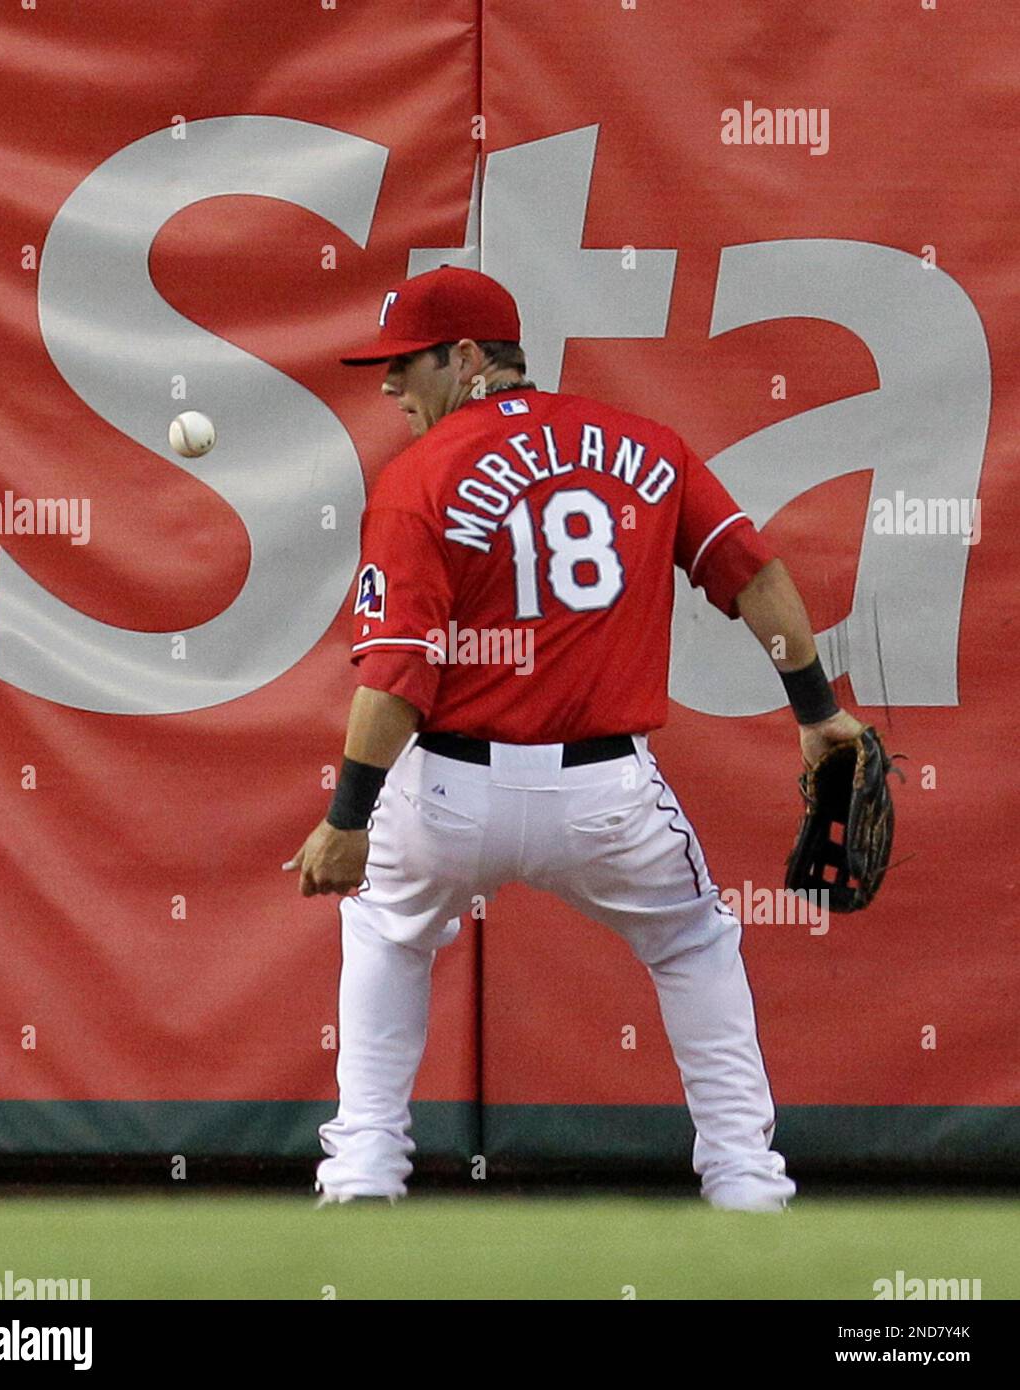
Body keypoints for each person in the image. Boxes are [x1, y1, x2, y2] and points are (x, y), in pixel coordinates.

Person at [282, 266, 863, 1212]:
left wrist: (347, 816)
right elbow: (752, 576)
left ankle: (361, 1175)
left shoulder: (418, 478)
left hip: (445, 790)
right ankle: (747, 1181)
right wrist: (813, 711)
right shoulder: (647, 445)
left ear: (468, 359)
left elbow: (395, 674)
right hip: (604, 795)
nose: (388, 386)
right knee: (693, 945)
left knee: (387, 931)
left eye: (404, 364)